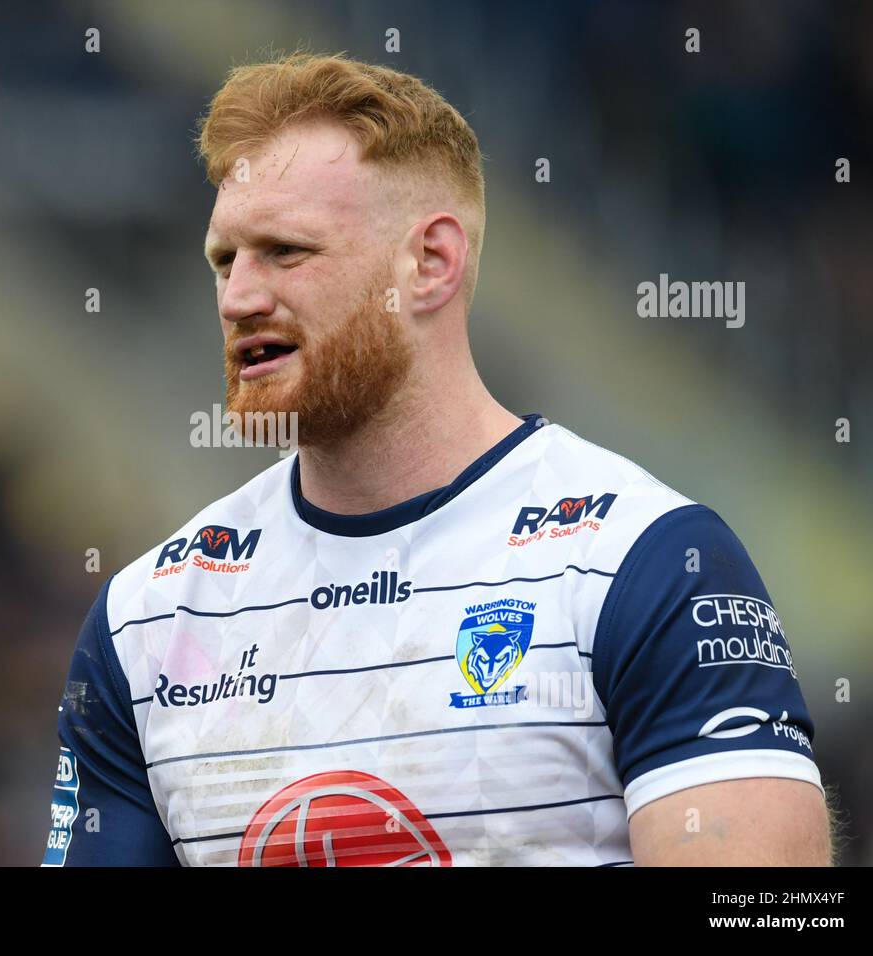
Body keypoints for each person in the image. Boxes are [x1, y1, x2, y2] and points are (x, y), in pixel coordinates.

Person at [42, 51, 830, 866]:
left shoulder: (649, 563)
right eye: (223, 260)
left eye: (285, 251)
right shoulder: (149, 619)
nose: (239, 297)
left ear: (431, 264)